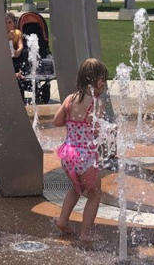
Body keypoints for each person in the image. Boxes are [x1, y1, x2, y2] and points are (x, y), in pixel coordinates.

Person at [53, 58, 109, 248]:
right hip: (85, 157)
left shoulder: (70, 99)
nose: (104, 83)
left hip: (68, 154)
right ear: (92, 80)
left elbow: (57, 121)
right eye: (102, 79)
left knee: (75, 189)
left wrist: (73, 121)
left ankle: (62, 221)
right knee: (94, 194)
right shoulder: (96, 103)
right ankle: (84, 234)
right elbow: (97, 130)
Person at [6, 12, 26, 98]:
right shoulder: (1, 34)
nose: (7, 25)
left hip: (15, 57)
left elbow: (20, 45)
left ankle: (19, 73)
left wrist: (19, 50)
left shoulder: (17, 33)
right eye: (5, 23)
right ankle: (15, 74)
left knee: (23, 53)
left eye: (9, 22)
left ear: (14, 23)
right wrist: (8, 38)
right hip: (5, 59)